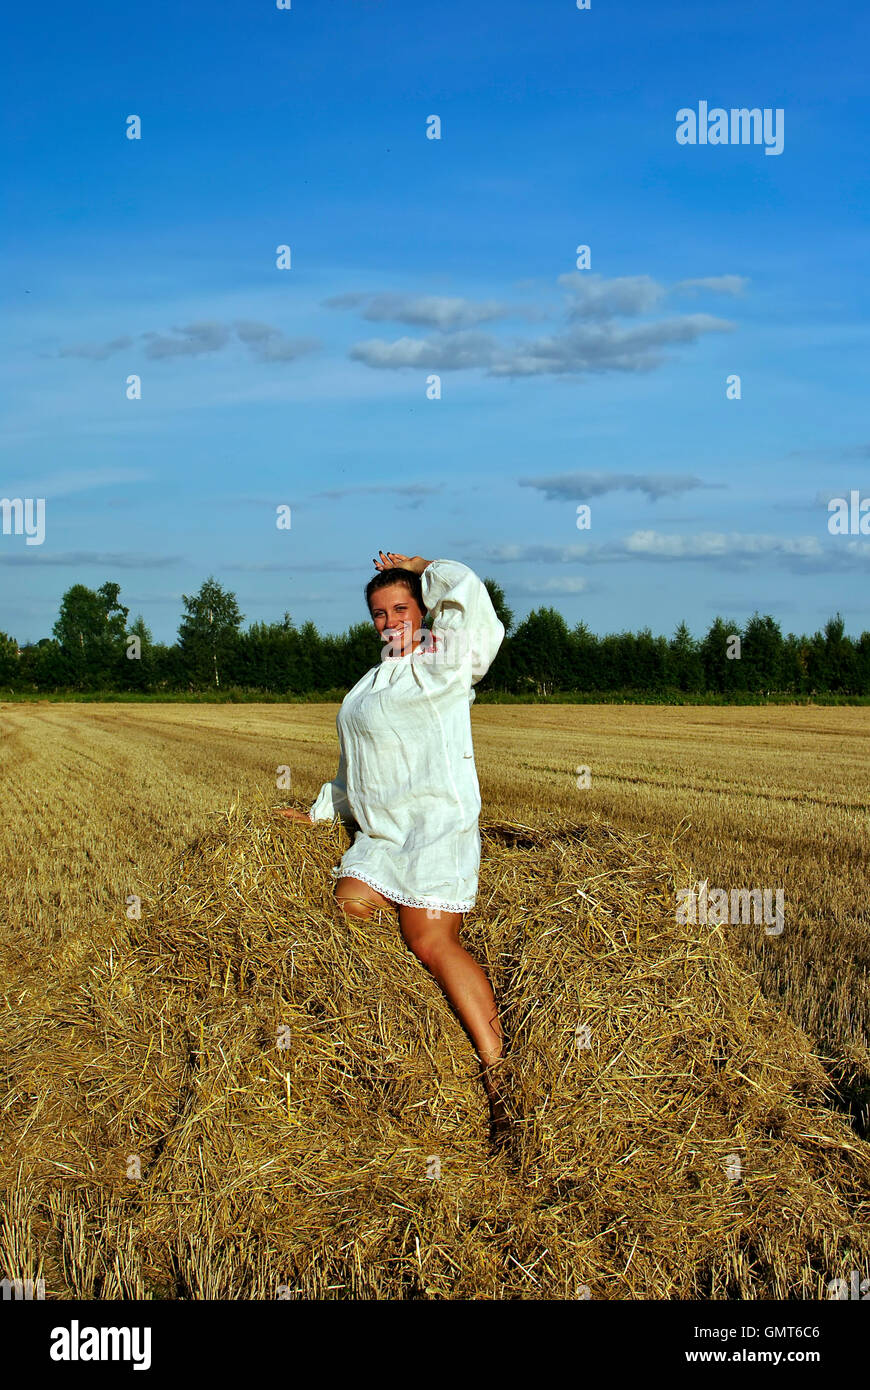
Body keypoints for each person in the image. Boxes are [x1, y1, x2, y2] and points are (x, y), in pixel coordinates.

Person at [277, 551, 513, 1149]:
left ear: (424, 609)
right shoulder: (367, 686)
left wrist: (427, 563)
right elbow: (353, 770)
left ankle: (497, 1076)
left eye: (401, 608)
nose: (390, 623)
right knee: (348, 905)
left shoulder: (443, 662)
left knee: (429, 940)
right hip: (383, 838)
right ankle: (393, 1033)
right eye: (379, 614)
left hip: (436, 828)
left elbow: (477, 614)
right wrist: (315, 815)